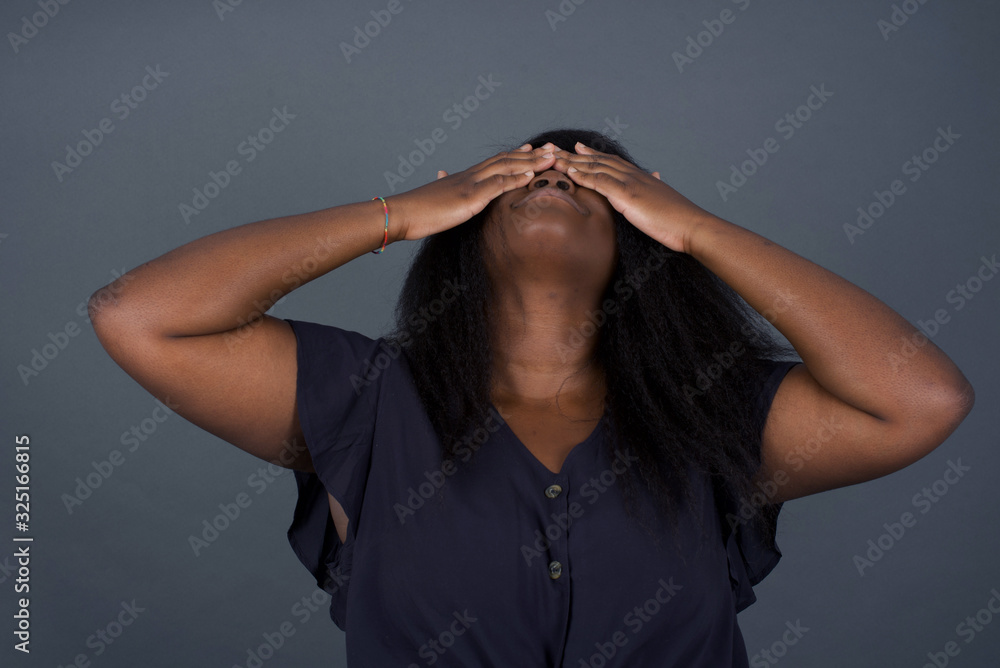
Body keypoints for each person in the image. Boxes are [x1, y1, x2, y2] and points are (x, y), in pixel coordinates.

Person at [89, 128, 974, 666]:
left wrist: (702, 229)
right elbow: (140, 316)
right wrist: (400, 209)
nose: (553, 171)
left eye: (595, 175)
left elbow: (922, 398)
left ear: (642, 231)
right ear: (464, 218)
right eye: (522, 168)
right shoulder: (365, 401)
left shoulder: (714, 413)